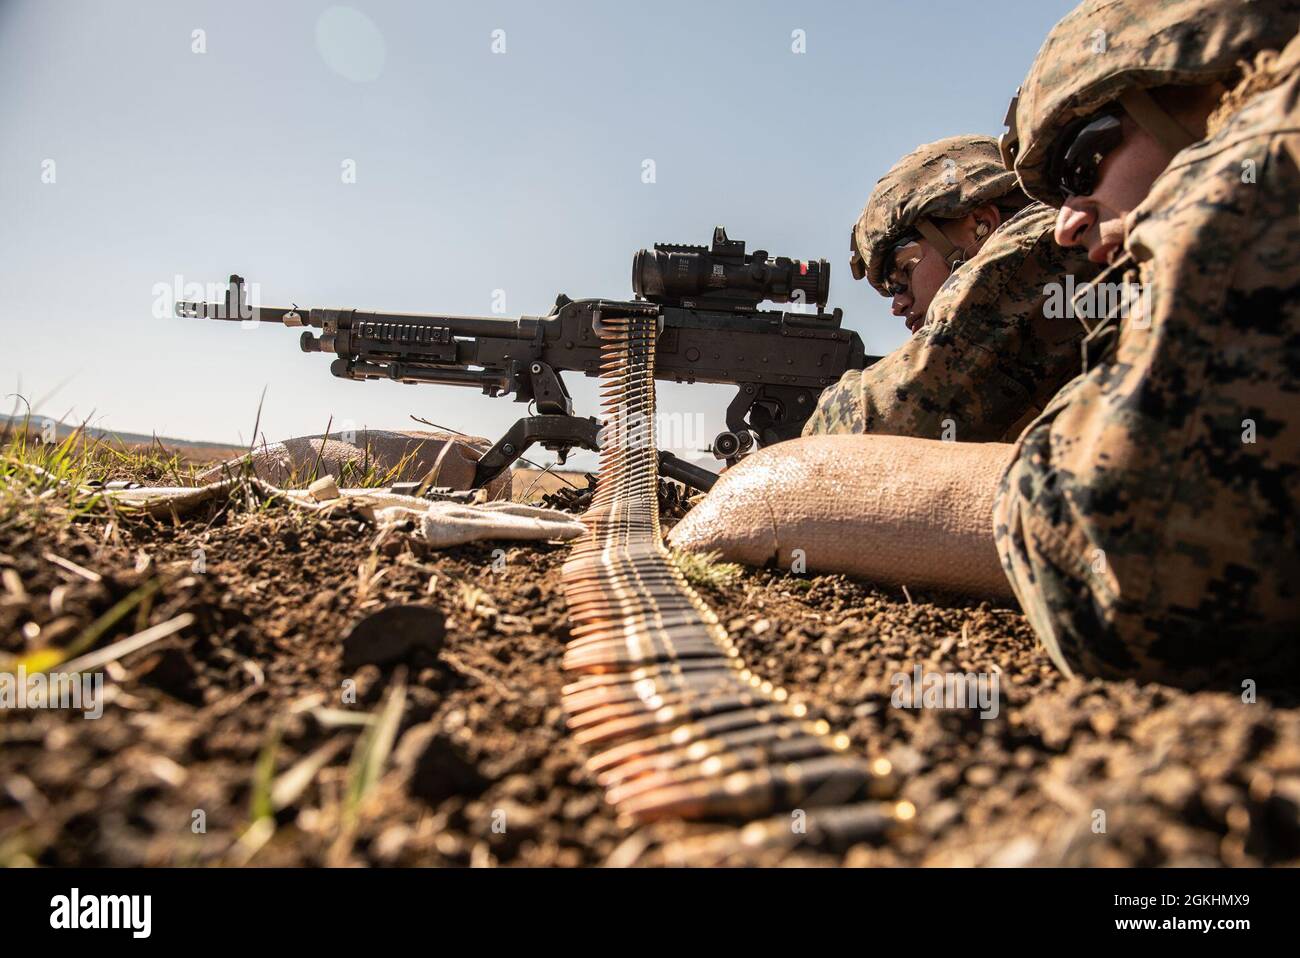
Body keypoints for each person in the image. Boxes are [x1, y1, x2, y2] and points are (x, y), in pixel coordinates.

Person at [994, 0, 1300, 684]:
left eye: (1080, 164)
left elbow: (1131, 580)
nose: (1062, 229)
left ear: (1204, 89)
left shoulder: (1275, 153)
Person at [804, 135, 1098, 442]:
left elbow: (882, 421)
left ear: (980, 226)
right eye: (892, 290)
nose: (898, 305)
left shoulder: (1041, 243)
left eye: (903, 272)